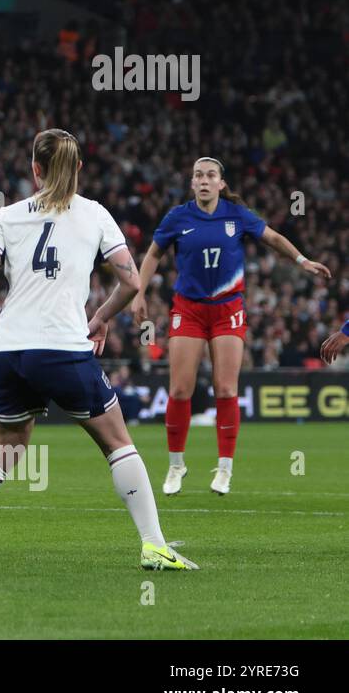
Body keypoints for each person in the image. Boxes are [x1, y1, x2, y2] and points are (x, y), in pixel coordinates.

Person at [0, 129, 196, 570]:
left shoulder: (7, 216)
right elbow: (132, 282)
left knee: (3, 452)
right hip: (63, 348)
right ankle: (154, 546)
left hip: (10, 351)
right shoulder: (95, 215)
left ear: (35, 169)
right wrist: (101, 317)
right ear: (79, 169)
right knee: (119, 443)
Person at [132, 157, 329, 496]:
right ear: (192, 183)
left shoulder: (237, 215)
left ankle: (224, 469)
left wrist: (302, 260)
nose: (204, 180)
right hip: (188, 310)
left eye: (210, 175)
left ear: (221, 183)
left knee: (226, 388)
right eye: (198, 175)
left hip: (227, 310)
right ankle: (176, 465)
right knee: (180, 389)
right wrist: (139, 292)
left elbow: (274, 238)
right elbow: (152, 255)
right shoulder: (177, 218)